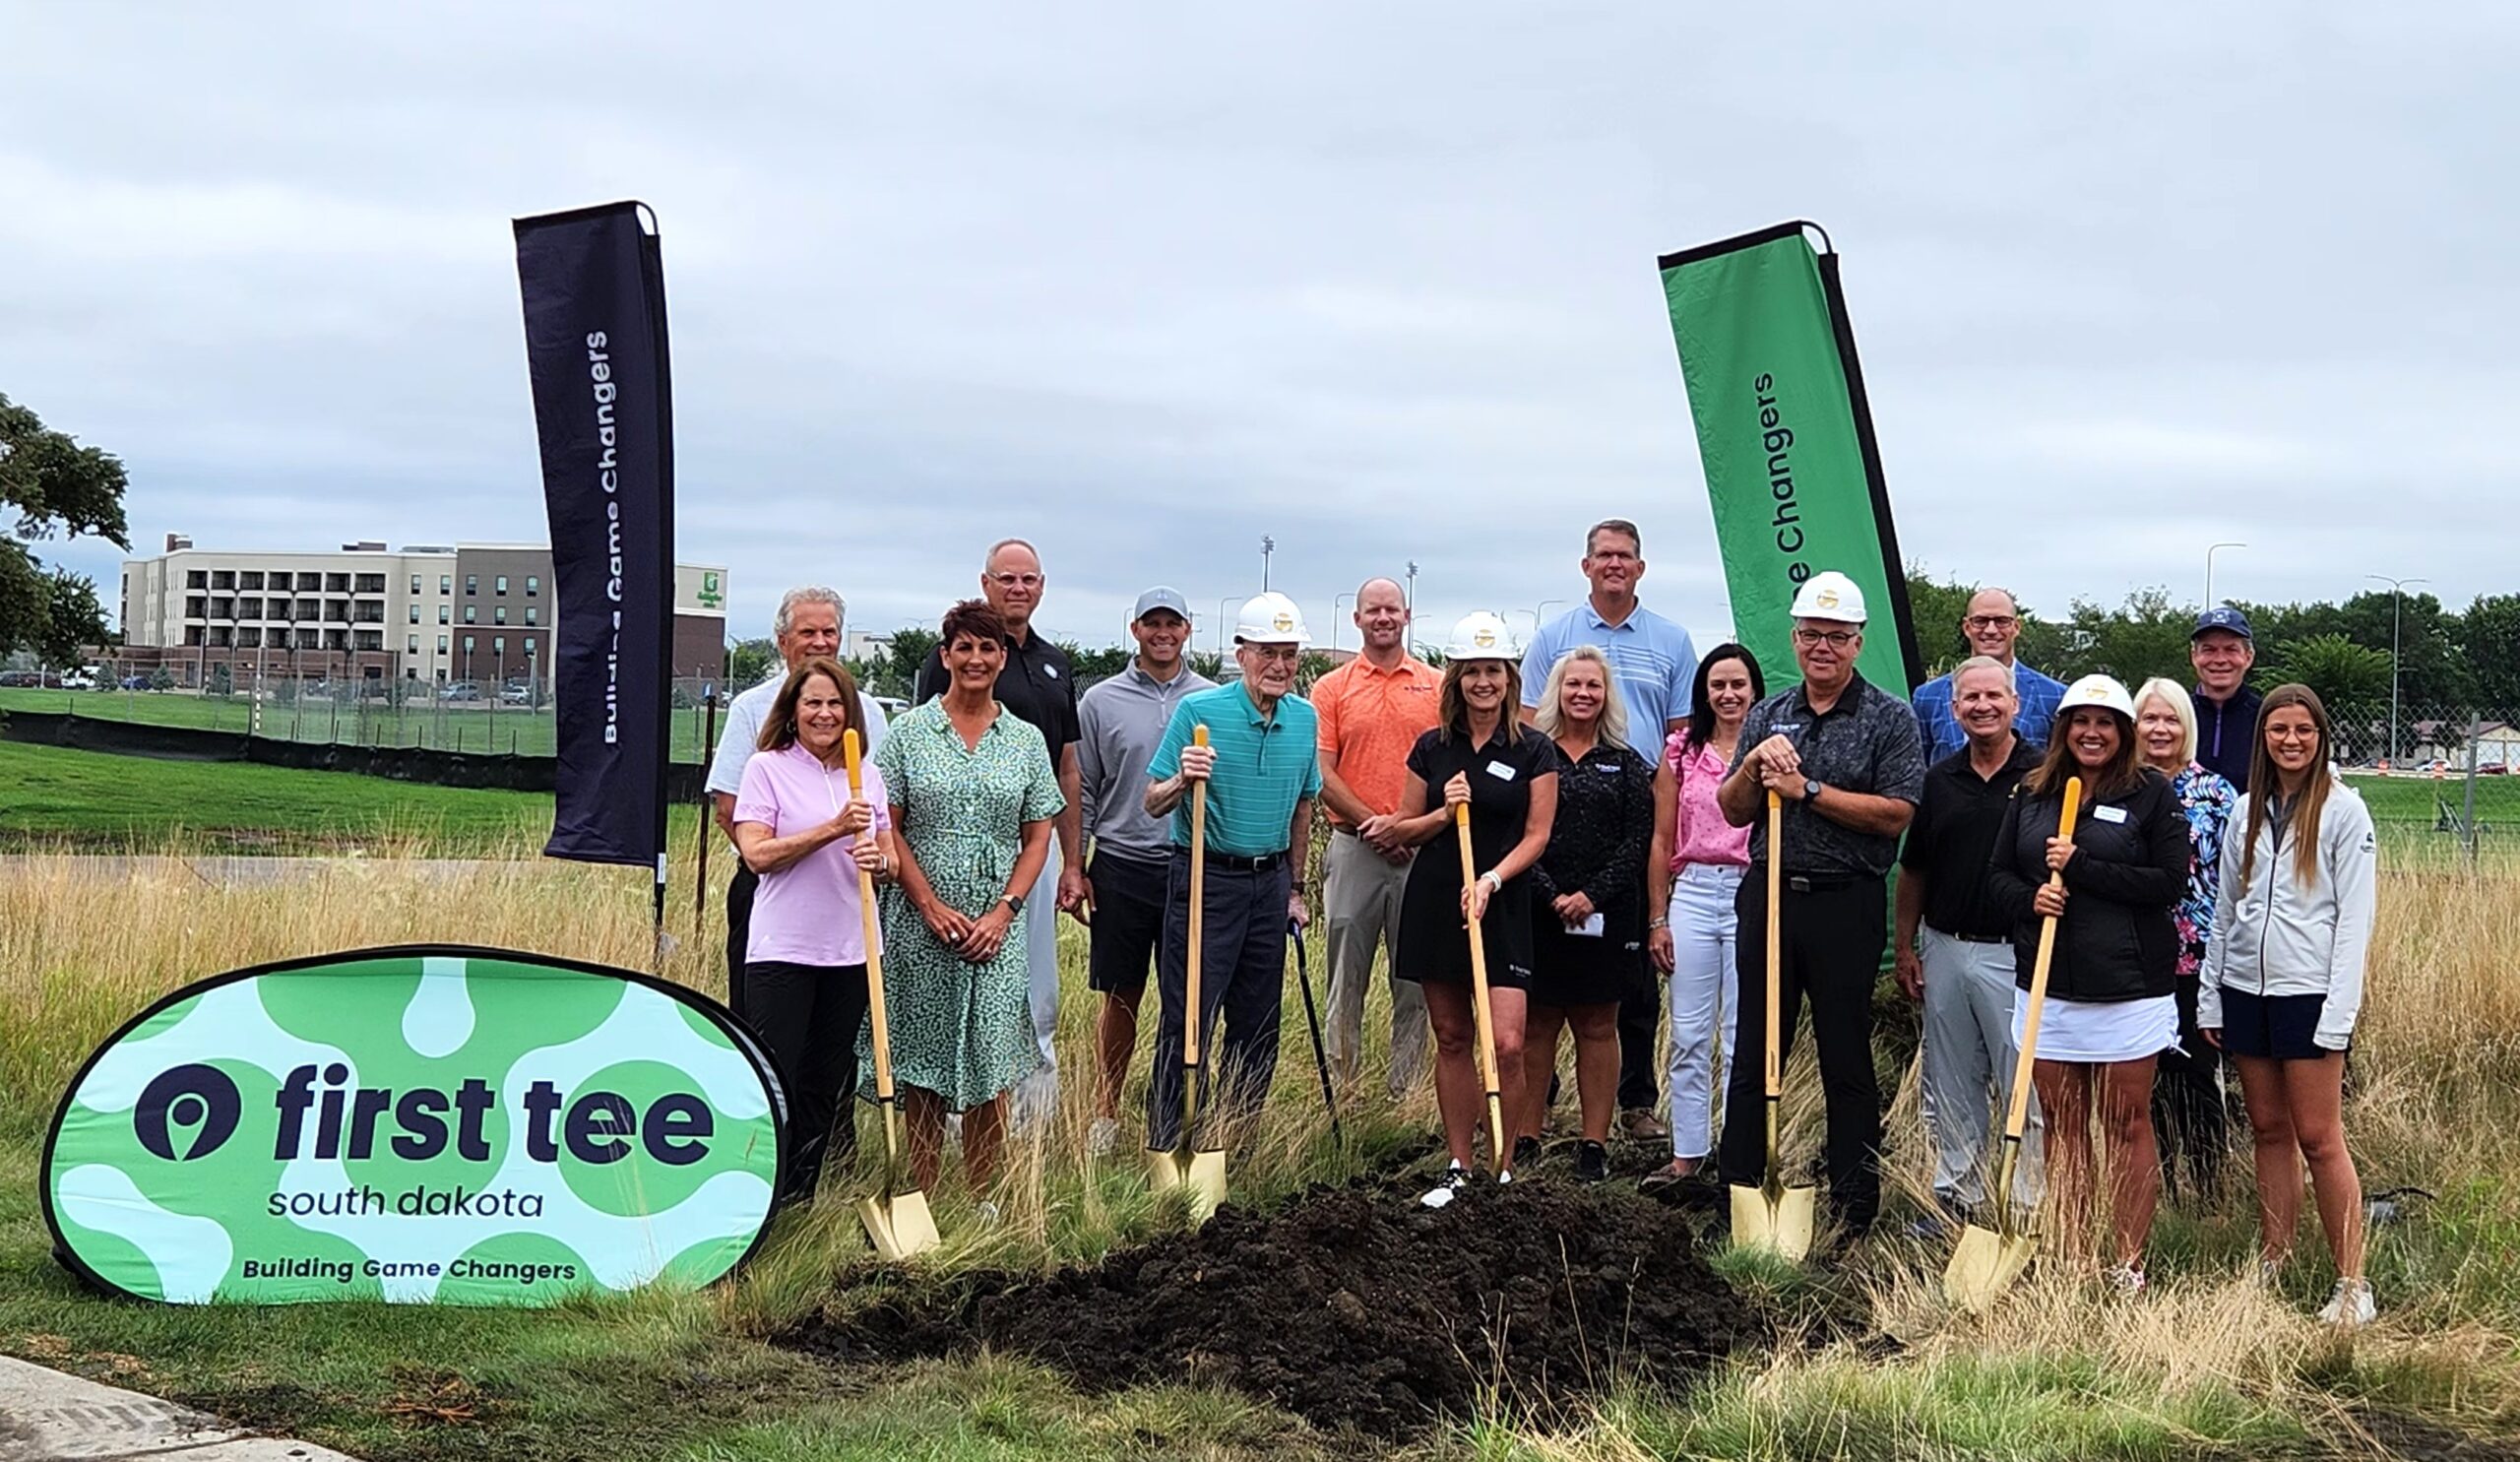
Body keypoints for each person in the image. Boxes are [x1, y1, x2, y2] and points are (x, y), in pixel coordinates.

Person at [1715, 570, 1924, 1236]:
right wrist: (1754, 769)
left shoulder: (1890, 717)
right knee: (1756, 1050)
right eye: (1811, 635)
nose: (1823, 647)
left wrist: (1806, 789)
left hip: (1845, 903)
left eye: (1837, 636)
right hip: (1771, 895)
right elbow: (1732, 807)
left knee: (1846, 1056)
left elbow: (1895, 814)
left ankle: (1853, 1207)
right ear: (1795, 639)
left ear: (1858, 643)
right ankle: (1740, 1195)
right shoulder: (1768, 715)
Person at [1985, 674, 2186, 1293]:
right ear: (2063, 728)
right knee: (2066, 1129)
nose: (2091, 733)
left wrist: (2083, 868)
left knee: (2126, 1123)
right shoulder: (2031, 791)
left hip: (2129, 988)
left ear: (2122, 732)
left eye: (2105, 723)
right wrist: (2032, 898)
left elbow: (2168, 884)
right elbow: (1996, 876)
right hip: (2049, 985)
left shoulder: (2152, 794)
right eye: (2080, 721)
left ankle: (2127, 1264)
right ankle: (2074, 1257)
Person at [2199, 684, 2378, 1326]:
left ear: (2320, 735)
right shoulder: (2246, 810)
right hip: (2248, 992)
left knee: (2319, 1137)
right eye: (2279, 730)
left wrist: (2339, 1013)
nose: (2291, 740)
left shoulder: (2344, 812)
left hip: (2310, 995)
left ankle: (2353, 1283)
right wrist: (2212, 994)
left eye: (2303, 729)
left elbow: (2354, 922)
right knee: (2269, 1130)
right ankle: (2275, 1257)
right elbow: (2224, 911)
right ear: (2264, 738)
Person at [874, 600, 1065, 1200]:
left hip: (995, 922)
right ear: (946, 656)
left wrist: (1005, 910)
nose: (976, 659)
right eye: (965, 648)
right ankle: (922, 1190)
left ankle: (981, 1194)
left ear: (1002, 658)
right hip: (920, 918)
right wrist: (929, 906)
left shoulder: (1026, 741)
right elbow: (889, 827)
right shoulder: (908, 733)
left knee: (991, 1059)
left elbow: (1039, 835)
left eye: (988, 648)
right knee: (925, 1056)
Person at [1520, 519, 1699, 1142]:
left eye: (1625, 557)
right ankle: (1533, 1117)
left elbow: (1680, 735)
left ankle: (1635, 1103)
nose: (1614, 565)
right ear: (1586, 565)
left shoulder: (1673, 641)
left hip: (1638, 810)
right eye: (1604, 556)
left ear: (1640, 568)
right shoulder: (1554, 637)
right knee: (1540, 1006)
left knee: (1630, 992)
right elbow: (1526, 726)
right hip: (1555, 813)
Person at [1140, 593, 1320, 1157]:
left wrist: (1295, 887)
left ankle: (1235, 1142)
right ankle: (1170, 1142)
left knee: (1259, 1019)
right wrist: (1180, 781)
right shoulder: (1201, 713)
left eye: (1289, 655)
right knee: (1189, 1014)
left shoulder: (1305, 718)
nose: (1280, 667)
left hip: (1269, 884)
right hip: (1205, 877)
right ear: (1240, 654)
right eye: (1268, 652)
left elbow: (1303, 807)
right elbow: (1151, 801)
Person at [914, 540, 1084, 1125]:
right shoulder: (948, 659)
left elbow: (1067, 768)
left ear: (1042, 587)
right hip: (950, 849)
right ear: (985, 582)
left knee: (1034, 986)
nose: (1018, 589)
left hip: (1027, 851)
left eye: (1028, 580)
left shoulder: (1055, 664)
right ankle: (954, 1117)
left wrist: (1073, 862)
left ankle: (1031, 1117)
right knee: (954, 983)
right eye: (1006, 579)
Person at [1394, 612, 1556, 1205]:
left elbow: (1538, 835)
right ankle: (1458, 1164)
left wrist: (1491, 879)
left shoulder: (1535, 748)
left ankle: (1502, 1165)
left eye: (1494, 670)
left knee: (1508, 1042)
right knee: (1453, 1035)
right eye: (1472, 672)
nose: (1483, 682)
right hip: (1439, 897)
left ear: (1510, 677)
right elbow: (1405, 829)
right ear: (1456, 679)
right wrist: (1443, 812)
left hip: (1502, 901)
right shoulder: (1433, 747)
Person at [730, 656, 897, 1204]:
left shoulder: (865, 774)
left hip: (849, 951)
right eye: (813, 703)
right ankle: (756, 1194)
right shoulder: (766, 768)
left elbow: (890, 858)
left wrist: (878, 860)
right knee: (774, 1074)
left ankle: (799, 1196)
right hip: (784, 950)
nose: (825, 714)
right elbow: (757, 854)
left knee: (823, 1085)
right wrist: (831, 829)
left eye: (834, 704)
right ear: (793, 710)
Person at [1893, 657, 2044, 1229]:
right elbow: (1915, 871)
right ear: (1953, 710)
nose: (1982, 707)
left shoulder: (2042, 776)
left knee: (2020, 1083)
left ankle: (2026, 1200)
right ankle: (1959, 1194)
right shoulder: (1940, 779)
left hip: (2015, 953)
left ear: (2015, 703)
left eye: (1993, 697)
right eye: (1970, 699)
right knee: (1951, 1082)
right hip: (1946, 946)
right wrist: (1906, 948)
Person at [706, 586, 889, 1022]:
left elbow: (879, 806)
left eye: (830, 632)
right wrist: (784, 859)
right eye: (808, 631)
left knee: (835, 1039)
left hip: (848, 894)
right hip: (771, 892)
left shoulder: (868, 713)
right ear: (782, 640)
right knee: (762, 1025)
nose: (820, 642)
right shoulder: (752, 708)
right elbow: (729, 809)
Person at [1075, 588, 1213, 1157]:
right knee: (1121, 996)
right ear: (1135, 630)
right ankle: (1106, 1114)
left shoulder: (1212, 699)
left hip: (1192, 864)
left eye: (1173, 623)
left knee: (1188, 996)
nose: (1163, 633)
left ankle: (1175, 1110)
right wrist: (1076, 868)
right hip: (1122, 863)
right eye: (1152, 623)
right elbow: (1083, 787)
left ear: (1187, 630)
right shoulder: (1101, 701)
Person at [1514, 645, 1655, 1183]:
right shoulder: (1534, 755)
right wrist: (1553, 895)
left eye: (1593, 686)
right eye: (1573, 684)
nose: (1582, 694)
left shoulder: (1625, 763)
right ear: (1556, 691)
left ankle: (1593, 1144)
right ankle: (1527, 1134)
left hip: (1607, 913)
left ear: (1606, 696)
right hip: (1540, 908)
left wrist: (1591, 896)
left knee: (1598, 1026)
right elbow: (1523, 835)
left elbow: (1637, 841)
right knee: (1538, 1025)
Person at [1311, 576, 1439, 1096]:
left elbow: (1445, 764)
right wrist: (1377, 825)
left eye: (1392, 609)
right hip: (1355, 849)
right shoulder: (1332, 688)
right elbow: (1322, 772)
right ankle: (1344, 1088)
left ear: (1407, 616)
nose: (1382, 618)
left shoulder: (1436, 685)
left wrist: (1408, 828)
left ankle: (1404, 1091)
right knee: (1346, 975)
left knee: (1415, 982)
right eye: (1372, 610)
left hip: (1423, 852)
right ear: (1357, 619)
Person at [1642, 644, 1763, 1188]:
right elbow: (1662, 836)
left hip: (1749, 890)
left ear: (1754, 690)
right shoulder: (1682, 752)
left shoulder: (1770, 748)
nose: (1729, 694)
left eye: (1738, 684)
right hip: (1692, 890)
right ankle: (1689, 1151)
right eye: (1719, 685)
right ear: (1704, 692)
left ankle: (1742, 1155)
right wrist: (1657, 917)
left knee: (1742, 1033)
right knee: (1689, 1032)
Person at [2132, 677, 2237, 1198]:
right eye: (2150, 718)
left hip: (2196, 958)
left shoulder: (2216, 795)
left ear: (2186, 727)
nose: (2160, 728)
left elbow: (2232, 878)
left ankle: (2208, 1184)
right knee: (2148, 1079)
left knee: (2196, 1074)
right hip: (2131, 954)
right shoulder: (2116, 788)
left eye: (2171, 718)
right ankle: (2161, 1186)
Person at [1908, 588, 2069, 764]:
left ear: (2016, 627)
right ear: (1967, 627)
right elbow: (1918, 767)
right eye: (1980, 621)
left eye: (2002, 621)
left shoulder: (2054, 695)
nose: (1991, 630)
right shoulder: (1928, 696)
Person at [2189, 607, 2262, 792]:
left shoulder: (2266, 717)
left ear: (2248, 657)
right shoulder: (2176, 717)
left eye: (2231, 650)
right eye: (2209, 650)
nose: (2220, 659)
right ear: (2194, 656)